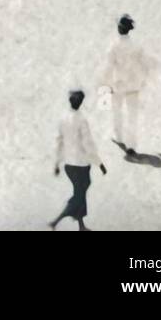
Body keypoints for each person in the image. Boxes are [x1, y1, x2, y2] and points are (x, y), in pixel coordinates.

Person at [51, 88, 105, 231]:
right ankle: (57, 221)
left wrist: (57, 163)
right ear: (80, 103)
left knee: (79, 192)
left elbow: (58, 141)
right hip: (81, 163)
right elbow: (88, 144)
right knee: (80, 193)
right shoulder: (81, 120)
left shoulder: (63, 119)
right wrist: (99, 163)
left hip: (68, 164)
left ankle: (80, 226)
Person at [101, 14, 151, 157]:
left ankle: (118, 137)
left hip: (118, 84)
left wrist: (105, 83)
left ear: (119, 29)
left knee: (117, 111)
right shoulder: (136, 46)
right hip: (134, 84)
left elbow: (109, 67)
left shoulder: (113, 46)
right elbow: (144, 65)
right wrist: (143, 80)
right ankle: (131, 145)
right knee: (132, 116)